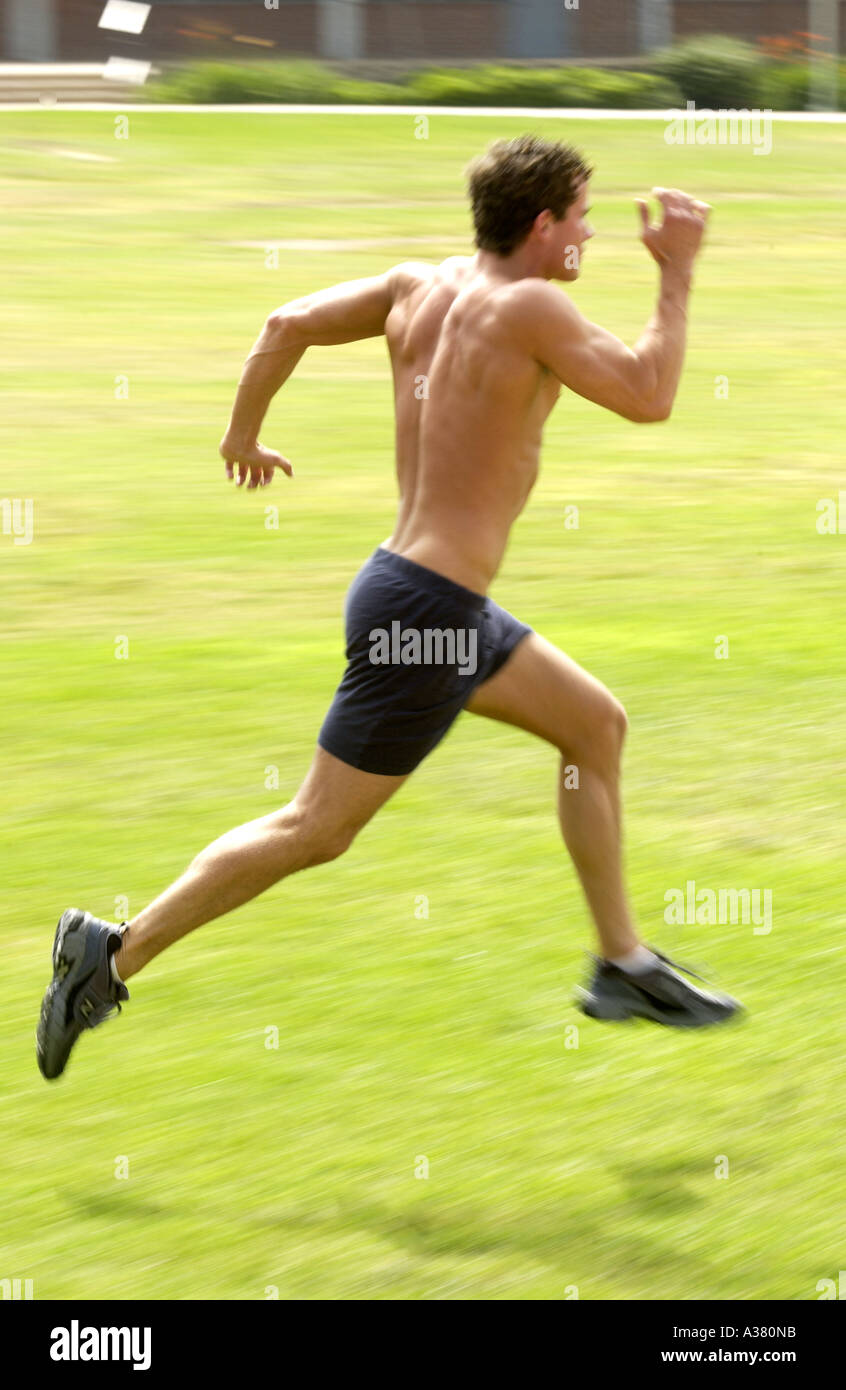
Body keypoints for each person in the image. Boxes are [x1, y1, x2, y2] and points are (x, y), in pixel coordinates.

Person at [37, 135, 742, 1081]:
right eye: (582, 215)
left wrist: (242, 436)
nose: (591, 232)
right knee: (316, 829)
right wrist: (679, 276)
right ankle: (111, 954)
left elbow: (285, 321)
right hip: (432, 615)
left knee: (594, 726)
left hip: (417, 592)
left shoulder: (422, 283)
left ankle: (622, 964)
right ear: (542, 225)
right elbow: (650, 396)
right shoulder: (534, 305)